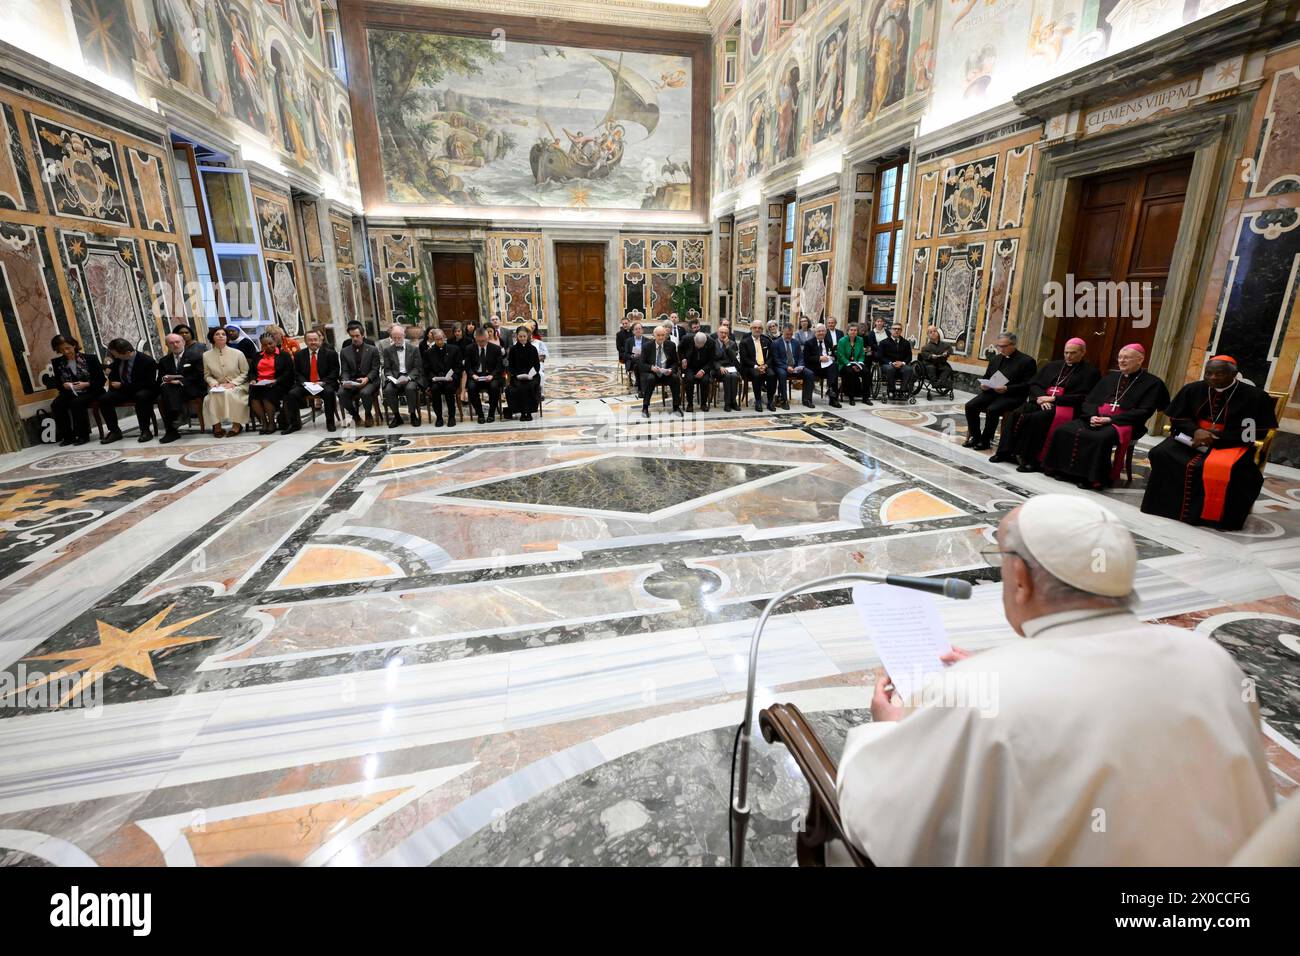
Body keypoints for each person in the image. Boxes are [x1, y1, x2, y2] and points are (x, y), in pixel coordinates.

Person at [835, 494, 1273, 865]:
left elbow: (887, 823)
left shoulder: (974, 691)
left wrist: (883, 730)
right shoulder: (1209, 659)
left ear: (1020, 578)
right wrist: (1003, 669)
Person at [1141, 355, 1277, 531]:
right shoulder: (1192, 389)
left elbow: (1257, 431)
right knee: (1161, 453)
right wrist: (1196, 431)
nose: (1212, 378)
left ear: (1234, 374)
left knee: (1237, 472)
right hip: (1192, 438)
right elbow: (1177, 417)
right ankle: (1165, 507)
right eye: (1208, 373)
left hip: (1231, 443)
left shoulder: (1255, 396)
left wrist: (1220, 436)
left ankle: (1213, 518)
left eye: (1219, 374)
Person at [1043, 344, 1170, 489]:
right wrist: (1091, 416)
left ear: (1140, 360)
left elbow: (1144, 411)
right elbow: (1089, 401)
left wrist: (1110, 419)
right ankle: (1064, 471)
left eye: (1126, 358)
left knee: (1098, 438)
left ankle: (1090, 477)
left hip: (1124, 423)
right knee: (1064, 430)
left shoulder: (1153, 383)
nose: (1121, 361)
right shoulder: (1110, 378)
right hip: (1096, 417)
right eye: (1120, 357)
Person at [990, 337, 1100, 470]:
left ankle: (1031, 459)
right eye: (1066, 353)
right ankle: (1005, 452)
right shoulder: (1052, 366)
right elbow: (1034, 384)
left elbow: (1084, 397)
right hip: (1042, 400)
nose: (1068, 356)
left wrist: (1053, 399)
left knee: (1036, 419)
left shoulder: (1091, 372)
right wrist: (1041, 397)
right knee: (1016, 414)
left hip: (1064, 406)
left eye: (1073, 353)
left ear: (1083, 352)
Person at [963, 332, 1037, 450]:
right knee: (970, 406)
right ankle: (976, 437)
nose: (1000, 349)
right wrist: (984, 385)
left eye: (1003, 346)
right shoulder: (995, 359)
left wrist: (1008, 388)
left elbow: (1029, 384)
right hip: (992, 392)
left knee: (992, 409)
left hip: (1013, 396)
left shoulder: (1027, 361)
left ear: (1013, 345)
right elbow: (987, 376)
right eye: (998, 346)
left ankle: (985, 440)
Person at [100, 338, 159, 443]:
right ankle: (114, 431)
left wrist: (123, 385)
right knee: (105, 399)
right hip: (123, 391)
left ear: (127, 353)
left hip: (143, 390)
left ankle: (145, 431)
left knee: (141, 397)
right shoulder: (118, 360)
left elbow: (148, 383)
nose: (115, 357)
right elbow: (113, 374)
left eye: (116, 354)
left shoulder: (148, 361)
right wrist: (109, 370)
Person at [47, 337, 104, 446]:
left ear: (74, 345)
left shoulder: (90, 358)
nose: (66, 352)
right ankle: (68, 436)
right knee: (56, 405)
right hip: (70, 392)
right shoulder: (58, 362)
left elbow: (101, 380)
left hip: (91, 390)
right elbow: (58, 383)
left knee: (76, 403)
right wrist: (64, 385)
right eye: (62, 350)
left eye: (68, 348)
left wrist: (86, 384)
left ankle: (83, 435)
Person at [285, 329, 340, 433]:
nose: (313, 342)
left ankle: (330, 422)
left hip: (324, 383)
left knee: (329, 392)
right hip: (307, 384)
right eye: (310, 340)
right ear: (305, 342)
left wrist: (323, 382)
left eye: (315, 339)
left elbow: (334, 372)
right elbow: (297, 373)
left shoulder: (330, 354)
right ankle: (295, 424)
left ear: (320, 340)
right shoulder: (299, 355)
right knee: (292, 394)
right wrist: (305, 383)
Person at [156, 332, 207, 443]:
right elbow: (160, 378)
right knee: (163, 393)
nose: (175, 345)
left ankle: (173, 425)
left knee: (166, 394)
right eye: (171, 343)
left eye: (177, 342)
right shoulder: (164, 361)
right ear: (167, 345)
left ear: (183, 342)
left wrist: (180, 381)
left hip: (191, 388)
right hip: (171, 389)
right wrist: (167, 379)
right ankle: (175, 420)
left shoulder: (195, 357)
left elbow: (199, 375)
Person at [202, 326, 250, 437]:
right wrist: (214, 383)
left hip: (238, 385)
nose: (220, 336)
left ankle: (236, 425)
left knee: (230, 393)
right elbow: (207, 375)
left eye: (223, 334)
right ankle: (217, 427)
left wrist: (233, 383)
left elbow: (245, 372)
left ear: (227, 337)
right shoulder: (206, 355)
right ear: (212, 337)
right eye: (217, 334)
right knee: (210, 397)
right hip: (217, 386)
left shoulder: (238, 353)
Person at [248, 331, 293, 435]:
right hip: (260, 383)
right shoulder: (257, 356)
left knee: (267, 395)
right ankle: (264, 423)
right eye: (264, 345)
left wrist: (276, 381)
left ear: (275, 342)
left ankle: (272, 423)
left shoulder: (284, 355)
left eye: (270, 343)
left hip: (278, 384)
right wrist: (253, 380)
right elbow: (252, 372)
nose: (268, 346)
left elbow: (289, 372)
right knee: (253, 396)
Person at [380, 324, 423, 428]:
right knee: (389, 390)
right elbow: (387, 369)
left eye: (399, 337)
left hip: (410, 377)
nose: (397, 340)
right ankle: (397, 416)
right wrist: (393, 379)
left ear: (404, 335)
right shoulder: (388, 351)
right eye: (394, 338)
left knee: (410, 388)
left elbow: (417, 368)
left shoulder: (414, 349)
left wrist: (408, 378)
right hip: (395, 377)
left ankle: (413, 414)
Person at [339, 325, 381, 427]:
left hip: (370, 380)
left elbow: (375, 369)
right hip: (353, 381)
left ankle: (368, 414)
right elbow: (344, 370)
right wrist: (345, 381)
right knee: (341, 393)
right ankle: (355, 415)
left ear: (362, 335)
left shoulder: (373, 350)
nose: (355, 338)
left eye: (357, 335)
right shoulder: (344, 351)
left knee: (365, 392)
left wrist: (366, 379)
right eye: (352, 336)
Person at [638, 324, 683, 417]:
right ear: (654, 335)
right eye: (658, 335)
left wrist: (671, 370)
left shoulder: (671, 345)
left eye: (663, 335)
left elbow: (675, 362)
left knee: (675, 378)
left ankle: (676, 406)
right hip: (652, 373)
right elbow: (641, 364)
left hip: (665, 373)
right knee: (650, 379)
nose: (661, 337)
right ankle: (645, 407)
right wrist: (651, 368)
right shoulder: (647, 346)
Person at [462, 328, 504, 424]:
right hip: (476, 376)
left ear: (487, 338)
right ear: (475, 339)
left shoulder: (496, 349)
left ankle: (491, 414)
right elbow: (467, 366)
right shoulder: (469, 349)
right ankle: (480, 414)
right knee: (471, 387)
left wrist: (492, 375)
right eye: (478, 341)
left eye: (483, 341)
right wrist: (473, 375)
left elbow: (499, 367)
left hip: (491, 376)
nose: (481, 343)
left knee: (494, 386)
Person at [422, 327, 461, 427]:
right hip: (436, 380)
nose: (439, 341)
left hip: (450, 379)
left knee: (449, 389)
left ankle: (451, 417)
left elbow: (458, 366)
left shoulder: (454, 349)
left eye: (441, 338)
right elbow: (427, 369)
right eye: (437, 339)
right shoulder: (428, 353)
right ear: (433, 339)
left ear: (444, 337)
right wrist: (433, 378)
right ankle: (439, 417)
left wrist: (452, 376)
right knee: (435, 389)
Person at [739, 319, 777, 413]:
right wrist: (756, 366)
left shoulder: (766, 340)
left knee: (772, 374)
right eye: (755, 328)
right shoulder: (745, 342)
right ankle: (758, 401)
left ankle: (770, 401)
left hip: (764, 366)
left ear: (762, 330)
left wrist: (766, 365)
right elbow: (744, 358)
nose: (757, 330)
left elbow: (772, 356)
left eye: (759, 328)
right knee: (757, 375)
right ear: (751, 329)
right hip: (750, 367)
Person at [505, 325, 542, 422]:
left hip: (532, 376)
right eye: (520, 336)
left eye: (524, 336)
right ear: (517, 336)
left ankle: (529, 412)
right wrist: (517, 375)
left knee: (530, 386)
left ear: (528, 336)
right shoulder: (513, 349)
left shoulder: (533, 349)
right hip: (517, 376)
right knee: (519, 387)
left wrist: (531, 375)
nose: (522, 338)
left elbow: (536, 366)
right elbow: (511, 366)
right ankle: (522, 413)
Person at [802, 324, 842, 408]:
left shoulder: (828, 342)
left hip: (826, 367)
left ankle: (833, 398)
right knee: (809, 373)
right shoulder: (809, 343)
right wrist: (819, 358)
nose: (821, 333)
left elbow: (833, 355)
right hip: (814, 367)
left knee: (834, 366)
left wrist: (831, 358)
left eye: (823, 331)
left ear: (826, 332)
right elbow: (807, 358)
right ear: (815, 332)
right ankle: (807, 400)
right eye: (819, 331)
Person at [835, 322, 871, 406]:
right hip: (844, 364)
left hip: (857, 364)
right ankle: (851, 397)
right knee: (850, 372)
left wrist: (860, 363)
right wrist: (850, 364)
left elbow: (862, 354)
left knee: (866, 372)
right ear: (847, 331)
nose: (853, 332)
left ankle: (866, 398)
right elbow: (840, 355)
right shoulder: (842, 341)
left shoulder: (860, 340)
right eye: (851, 330)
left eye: (855, 330)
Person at [710, 325, 742, 412]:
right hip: (717, 368)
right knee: (727, 376)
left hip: (730, 367)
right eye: (721, 332)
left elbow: (734, 359)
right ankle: (727, 403)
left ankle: (733, 402)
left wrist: (727, 347)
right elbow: (711, 359)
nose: (723, 334)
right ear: (717, 333)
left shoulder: (732, 343)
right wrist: (719, 367)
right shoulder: (713, 343)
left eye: (725, 333)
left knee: (735, 376)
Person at [773, 324, 804, 410]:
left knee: (809, 373)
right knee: (782, 374)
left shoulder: (796, 342)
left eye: (791, 334)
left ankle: (807, 400)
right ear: (782, 332)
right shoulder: (776, 343)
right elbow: (776, 360)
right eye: (787, 334)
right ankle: (784, 400)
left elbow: (801, 357)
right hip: (781, 367)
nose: (789, 336)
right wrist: (786, 367)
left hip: (795, 367)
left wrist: (800, 366)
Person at [684, 331, 715, 411]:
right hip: (690, 366)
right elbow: (680, 350)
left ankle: (703, 404)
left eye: (701, 345)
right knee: (689, 380)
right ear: (694, 340)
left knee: (705, 381)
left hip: (704, 367)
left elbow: (712, 360)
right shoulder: (687, 339)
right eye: (697, 345)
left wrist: (703, 371)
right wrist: (683, 359)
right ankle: (690, 404)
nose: (699, 347)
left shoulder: (711, 342)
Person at [918, 326, 953, 392]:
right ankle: (934, 382)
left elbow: (950, 350)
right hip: (930, 364)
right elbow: (925, 355)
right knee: (931, 368)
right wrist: (931, 356)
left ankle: (941, 382)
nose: (933, 333)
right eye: (930, 332)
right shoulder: (925, 347)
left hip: (941, 364)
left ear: (938, 333)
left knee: (947, 368)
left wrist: (946, 352)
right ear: (928, 335)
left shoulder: (945, 345)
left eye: (934, 331)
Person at [623, 320, 648, 392]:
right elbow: (626, 355)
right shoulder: (629, 341)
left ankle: (639, 383)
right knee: (637, 364)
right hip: (633, 361)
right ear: (633, 331)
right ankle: (641, 383)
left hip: (644, 361)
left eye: (640, 329)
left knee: (638, 364)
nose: (638, 330)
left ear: (642, 330)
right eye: (636, 329)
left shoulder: (647, 340)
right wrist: (632, 356)